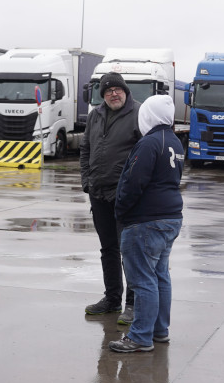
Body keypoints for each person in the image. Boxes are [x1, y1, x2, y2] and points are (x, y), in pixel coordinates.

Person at [109, 95, 184, 353]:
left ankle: (141, 336)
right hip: (170, 217)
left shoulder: (149, 143)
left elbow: (133, 182)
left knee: (142, 280)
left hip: (146, 221)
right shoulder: (173, 141)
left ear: (148, 115)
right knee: (160, 275)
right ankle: (159, 330)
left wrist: (120, 210)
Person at [79, 72, 142, 323]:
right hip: (98, 193)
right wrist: (86, 181)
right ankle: (112, 299)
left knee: (130, 252)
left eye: (117, 89)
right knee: (108, 249)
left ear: (125, 91)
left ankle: (133, 304)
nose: (113, 94)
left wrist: (132, 189)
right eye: (107, 91)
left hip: (125, 196)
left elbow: (144, 154)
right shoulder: (95, 115)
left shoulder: (138, 113)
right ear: (102, 95)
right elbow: (86, 149)